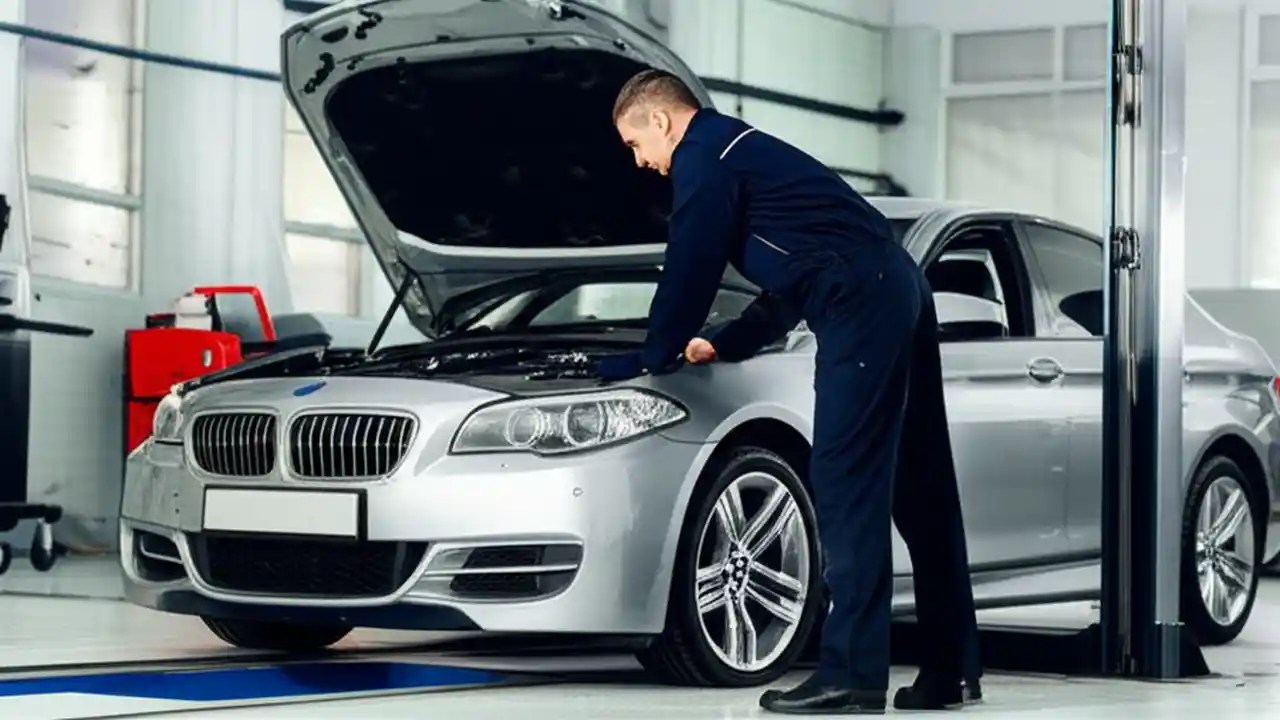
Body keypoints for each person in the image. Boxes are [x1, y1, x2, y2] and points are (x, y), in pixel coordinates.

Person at [594, 69, 983, 714]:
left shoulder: (704, 155)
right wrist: (731, 340)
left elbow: (691, 260)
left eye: (636, 144)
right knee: (920, 486)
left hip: (863, 300)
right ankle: (952, 671)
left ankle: (852, 679)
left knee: (843, 481)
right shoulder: (744, 152)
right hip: (892, 285)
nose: (644, 163)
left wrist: (653, 354)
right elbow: (803, 273)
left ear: (660, 120)